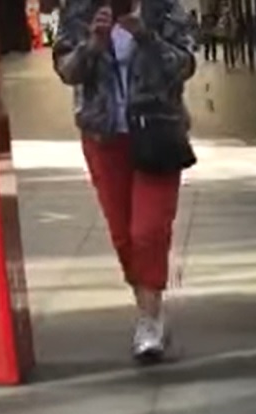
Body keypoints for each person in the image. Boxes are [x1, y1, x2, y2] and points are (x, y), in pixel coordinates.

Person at [54, 0, 197, 363]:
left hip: (157, 130)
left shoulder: (163, 8)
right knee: (123, 233)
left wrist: (146, 37)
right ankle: (147, 306)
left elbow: (185, 65)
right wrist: (93, 44)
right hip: (104, 137)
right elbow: (67, 71)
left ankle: (149, 320)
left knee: (149, 229)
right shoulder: (80, 9)